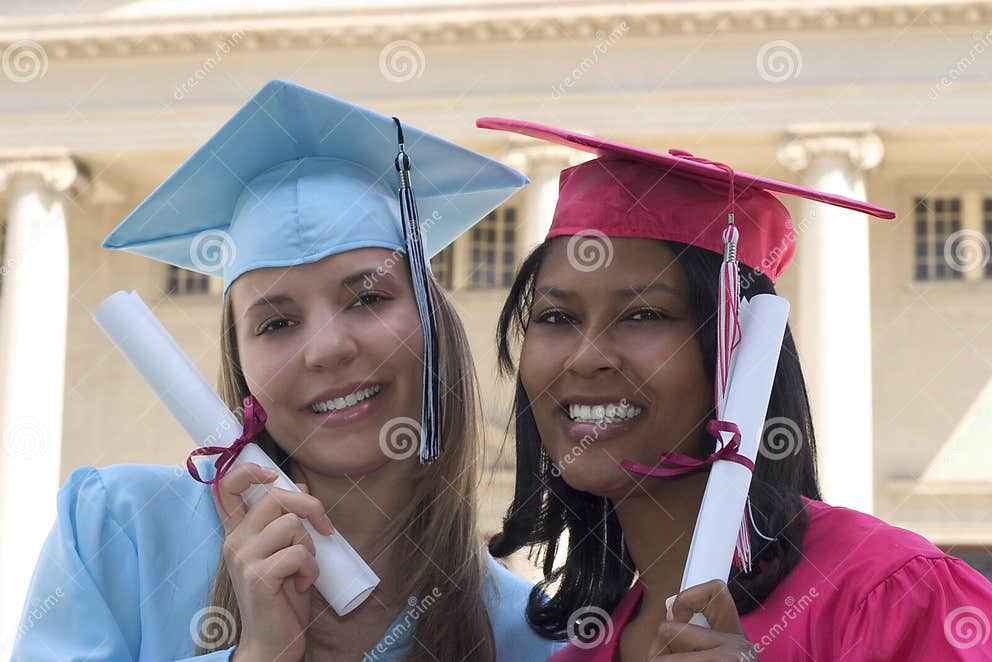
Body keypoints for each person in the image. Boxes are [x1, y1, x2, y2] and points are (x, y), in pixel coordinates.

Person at [10, 81, 563, 662]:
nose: (325, 349)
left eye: (368, 299)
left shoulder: (529, 639)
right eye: (274, 324)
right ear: (241, 363)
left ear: (433, 323)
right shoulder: (122, 534)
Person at [479, 117, 992, 660]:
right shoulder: (583, 653)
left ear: (739, 351)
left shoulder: (890, 595)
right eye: (557, 317)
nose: (586, 358)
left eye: (645, 314)